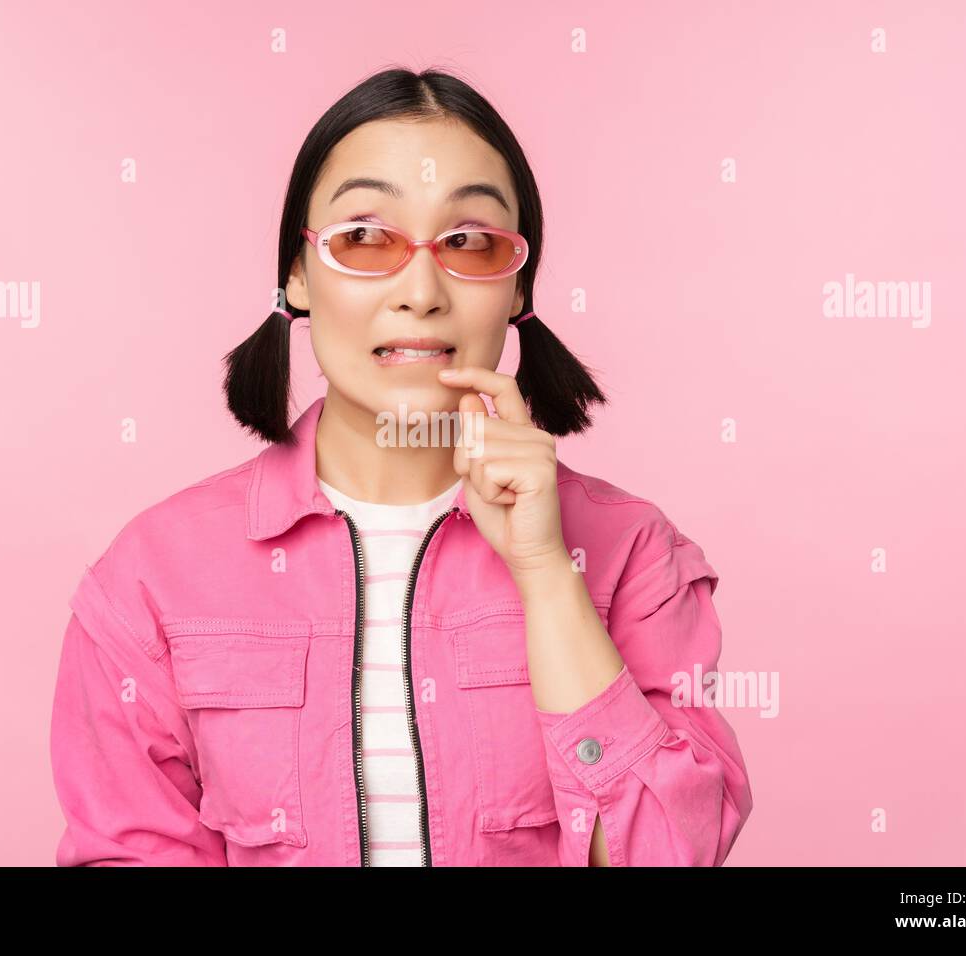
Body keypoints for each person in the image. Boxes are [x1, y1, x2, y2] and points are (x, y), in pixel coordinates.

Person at [50, 66, 753, 866]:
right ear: (297, 275)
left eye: (469, 243)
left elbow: (668, 853)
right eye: (365, 238)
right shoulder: (153, 576)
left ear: (516, 285)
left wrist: (548, 571)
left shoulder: (631, 554)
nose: (421, 290)